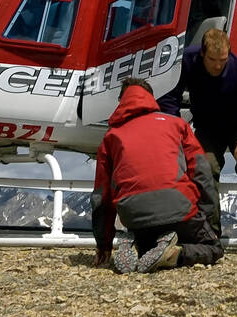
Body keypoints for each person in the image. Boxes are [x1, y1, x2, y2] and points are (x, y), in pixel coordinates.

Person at [158, 29, 237, 248]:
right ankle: (210, 232)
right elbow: (170, 95)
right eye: (213, 60)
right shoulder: (187, 61)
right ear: (202, 54)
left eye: (223, 60)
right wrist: (175, 128)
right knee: (205, 169)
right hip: (208, 127)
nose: (218, 66)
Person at [91, 78, 223, 273]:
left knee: (151, 242)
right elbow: (202, 174)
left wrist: (104, 243)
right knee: (214, 249)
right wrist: (209, 221)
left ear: (121, 101)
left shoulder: (111, 137)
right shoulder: (177, 124)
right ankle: (173, 254)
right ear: (152, 99)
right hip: (179, 209)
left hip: (134, 216)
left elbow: (101, 196)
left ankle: (138, 245)